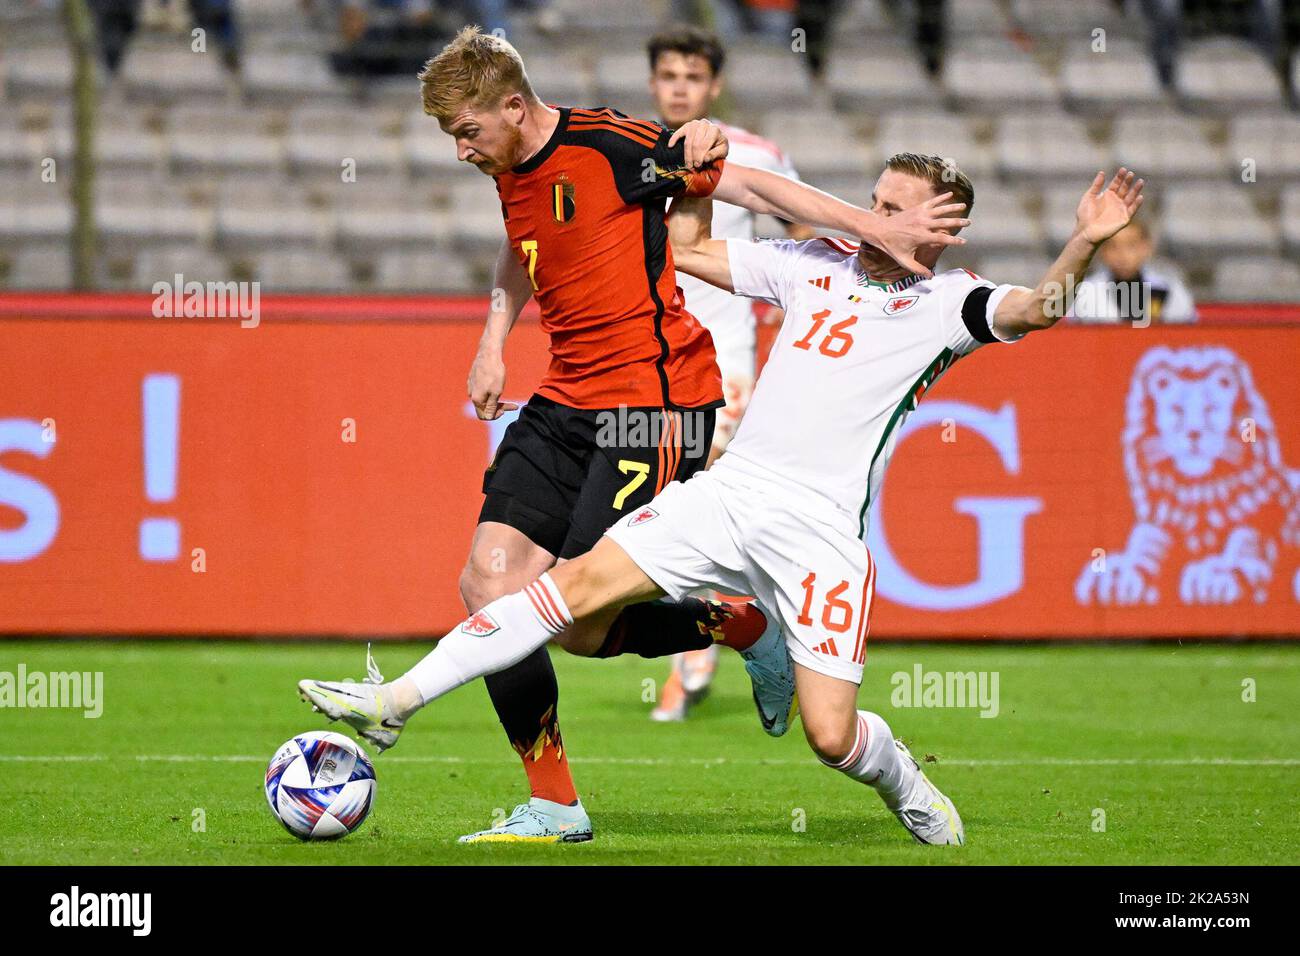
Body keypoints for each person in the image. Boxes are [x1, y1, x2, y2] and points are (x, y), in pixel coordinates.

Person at [300, 155, 1146, 845]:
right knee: (567, 594)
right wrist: (695, 175)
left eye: (894, 206)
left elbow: (1039, 310)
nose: (871, 214)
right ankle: (395, 700)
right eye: (873, 198)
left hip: (818, 535)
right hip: (730, 493)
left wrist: (1081, 243)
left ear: (942, 227)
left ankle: (901, 777)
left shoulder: (948, 302)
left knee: (829, 736)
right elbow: (692, 253)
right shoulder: (816, 263)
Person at [324, 26, 964, 846]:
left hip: (652, 406)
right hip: (562, 399)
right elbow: (522, 249)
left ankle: (740, 624)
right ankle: (554, 803)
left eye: (468, 133)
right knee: (489, 583)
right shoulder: (511, 167)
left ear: (513, 107)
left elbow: (755, 190)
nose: (460, 152)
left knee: (580, 625)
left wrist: (872, 231)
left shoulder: (613, 145)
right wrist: (493, 340)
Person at [643, 24, 814, 723]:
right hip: (649, 359)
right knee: (662, 500)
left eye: (692, 76)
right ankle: (737, 625)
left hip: (724, 358)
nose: (680, 86)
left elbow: (802, 227)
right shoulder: (635, 150)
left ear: (714, 85)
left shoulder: (755, 154)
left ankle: (703, 651)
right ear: (654, 82)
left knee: (697, 491)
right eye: (668, 75)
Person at [1068, 220, 1196, 324]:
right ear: (1102, 251)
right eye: (1113, 247)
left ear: (1146, 247)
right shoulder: (1084, 292)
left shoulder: (1170, 289)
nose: (1122, 255)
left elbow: (1186, 335)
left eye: (1131, 246)